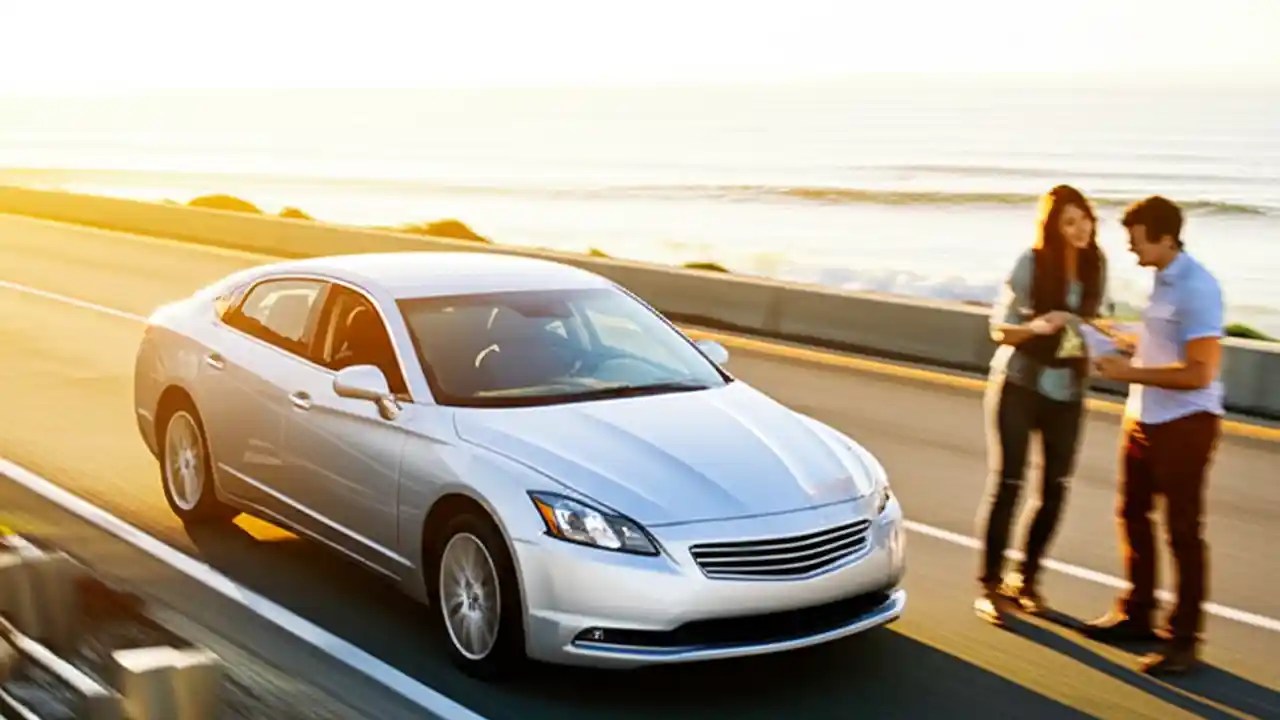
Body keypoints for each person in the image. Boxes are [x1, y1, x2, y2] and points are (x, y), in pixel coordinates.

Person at [1084, 195, 1224, 675]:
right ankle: (1136, 614)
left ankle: (1184, 641)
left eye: (1136, 238)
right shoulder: (1160, 281)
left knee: (1183, 531)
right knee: (1132, 516)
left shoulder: (1198, 287)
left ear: (1165, 237)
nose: (1129, 247)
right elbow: (1164, 344)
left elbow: (1200, 373)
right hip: (1143, 420)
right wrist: (1121, 338)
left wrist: (1126, 373)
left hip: (1185, 423)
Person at [975, 185, 1108, 625]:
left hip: (1067, 390)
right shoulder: (1030, 263)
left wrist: (1101, 337)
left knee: (1056, 487)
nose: (1079, 229)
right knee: (1009, 483)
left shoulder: (1096, 265)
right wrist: (1039, 325)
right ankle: (990, 587)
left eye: (1083, 218)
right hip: (1019, 383)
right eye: (1068, 222)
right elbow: (1000, 329)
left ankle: (1026, 581)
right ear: (1052, 228)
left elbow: (1090, 325)